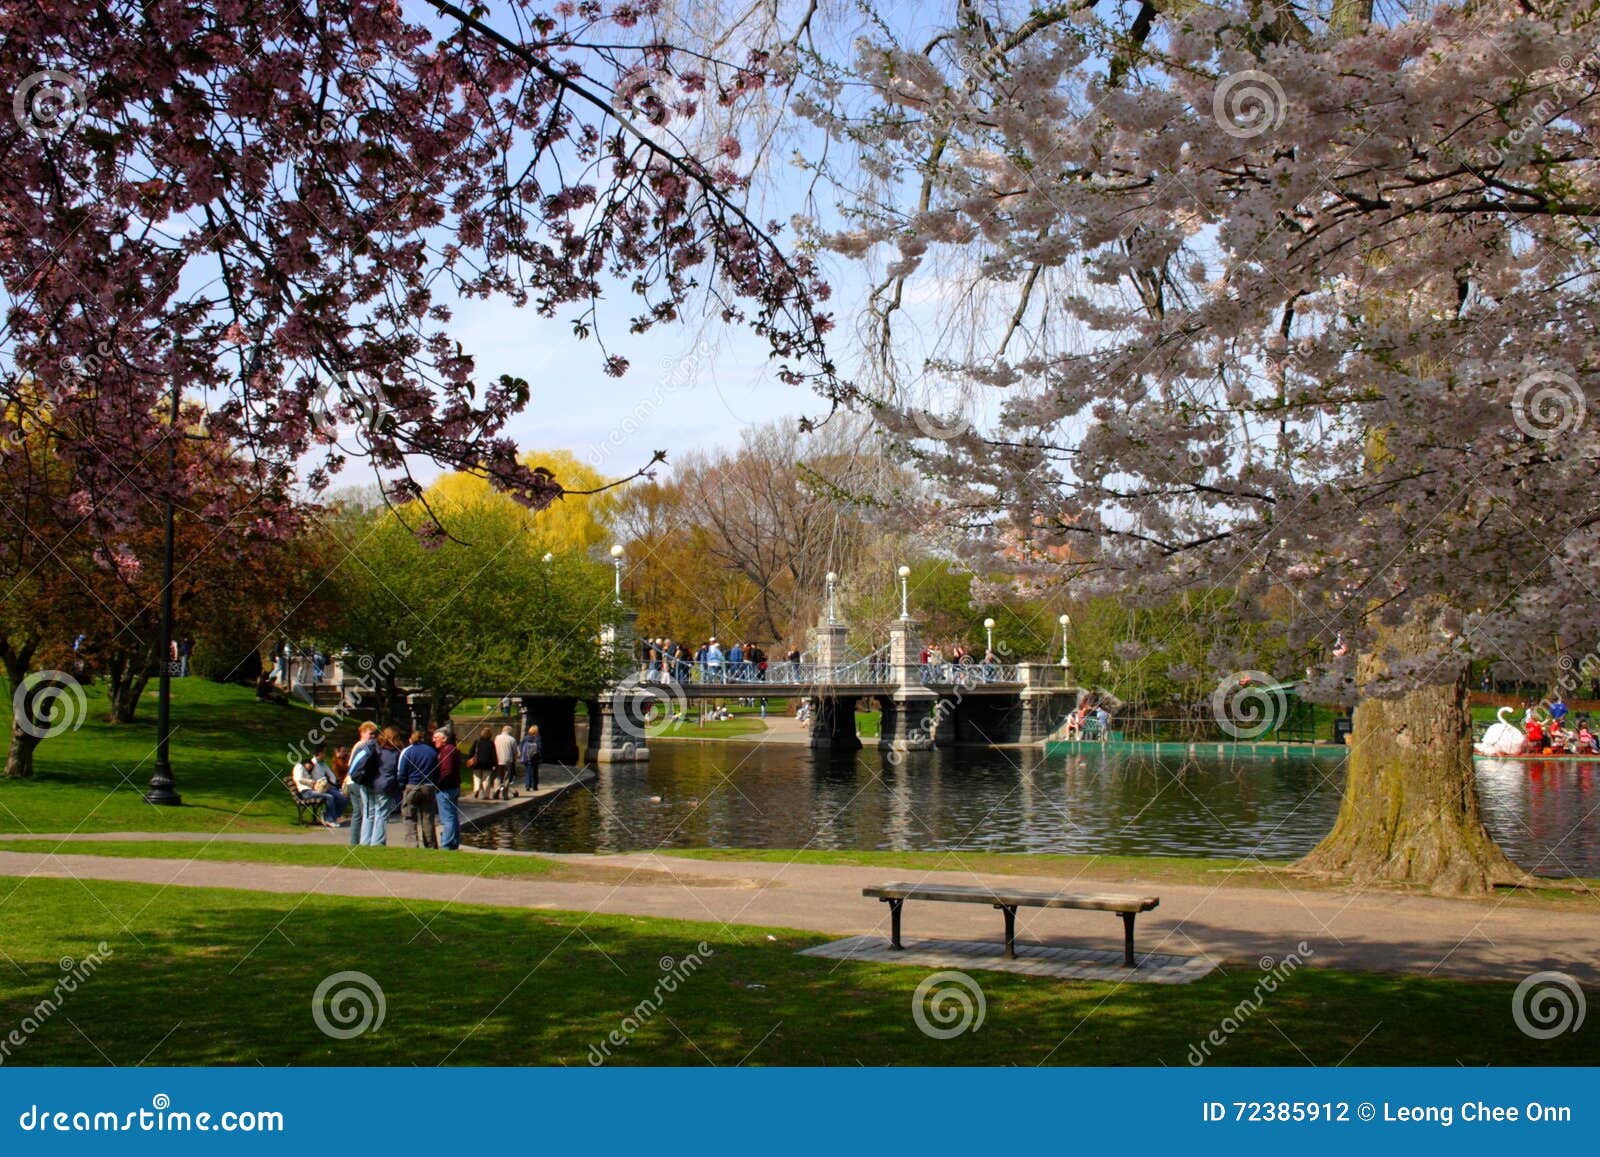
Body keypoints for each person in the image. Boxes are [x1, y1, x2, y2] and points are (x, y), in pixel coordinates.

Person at [398, 730, 440, 849]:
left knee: (409, 816)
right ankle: (430, 844)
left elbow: (402, 772)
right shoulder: (432, 752)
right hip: (428, 786)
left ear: (411, 739)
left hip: (412, 785)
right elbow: (437, 771)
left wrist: (402, 785)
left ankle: (412, 844)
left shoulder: (408, 752)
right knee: (428, 817)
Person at [363, 726, 405, 845]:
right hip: (386, 785)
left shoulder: (377, 749)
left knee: (370, 814)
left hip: (372, 783)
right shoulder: (395, 753)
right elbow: (398, 771)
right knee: (381, 814)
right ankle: (377, 842)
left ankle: (365, 841)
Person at [291, 743, 345, 829]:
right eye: (324, 752)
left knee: (343, 797)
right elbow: (299, 779)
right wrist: (313, 782)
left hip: (315, 790)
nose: (310, 768)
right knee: (330, 797)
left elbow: (331, 775)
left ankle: (331, 817)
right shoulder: (299, 766)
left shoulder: (318, 764)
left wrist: (333, 784)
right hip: (306, 792)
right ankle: (329, 819)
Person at [344, 722, 379, 845]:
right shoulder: (362, 746)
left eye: (374, 734)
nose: (373, 736)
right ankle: (357, 842)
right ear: (362, 733)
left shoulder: (360, 745)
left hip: (352, 781)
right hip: (356, 782)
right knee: (362, 813)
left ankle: (357, 841)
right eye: (370, 734)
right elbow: (353, 766)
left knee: (359, 813)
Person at [433, 729, 463, 850]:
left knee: (447, 818)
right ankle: (454, 841)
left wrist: (437, 784)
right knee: (453, 816)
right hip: (453, 787)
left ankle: (447, 844)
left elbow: (447, 771)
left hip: (446, 789)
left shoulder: (447, 750)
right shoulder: (451, 749)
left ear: (444, 738)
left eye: (436, 737)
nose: (433, 739)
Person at [468, 726, 498, 800]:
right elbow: (493, 755)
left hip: (477, 762)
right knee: (486, 779)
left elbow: (471, 752)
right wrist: (494, 764)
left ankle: (477, 789)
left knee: (476, 777)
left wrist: (471, 758)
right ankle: (486, 795)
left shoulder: (477, 741)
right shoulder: (491, 743)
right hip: (487, 763)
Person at [493, 725, 518, 799]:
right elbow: (515, 751)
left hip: (498, 759)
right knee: (506, 777)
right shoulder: (512, 739)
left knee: (498, 776)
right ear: (510, 732)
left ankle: (497, 789)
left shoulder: (497, 737)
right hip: (508, 760)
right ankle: (505, 795)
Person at [519, 725, 542, 792]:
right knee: (534, 772)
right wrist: (540, 757)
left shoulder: (526, 737)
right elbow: (540, 748)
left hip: (526, 757)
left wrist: (522, 754)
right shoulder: (537, 738)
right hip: (534, 758)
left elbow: (521, 746)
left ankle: (527, 785)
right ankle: (534, 786)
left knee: (528, 771)